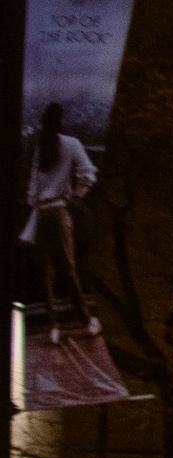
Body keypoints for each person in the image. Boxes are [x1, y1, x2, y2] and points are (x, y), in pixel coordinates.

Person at [25, 103, 97, 338]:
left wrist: (35, 202)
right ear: (61, 120)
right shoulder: (71, 144)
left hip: (40, 213)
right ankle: (86, 319)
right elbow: (88, 174)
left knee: (45, 271)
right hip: (58, 209)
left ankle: (53, 326)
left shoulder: (41, 148)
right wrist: (76, 196)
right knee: (68, 267)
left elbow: (32, 188)